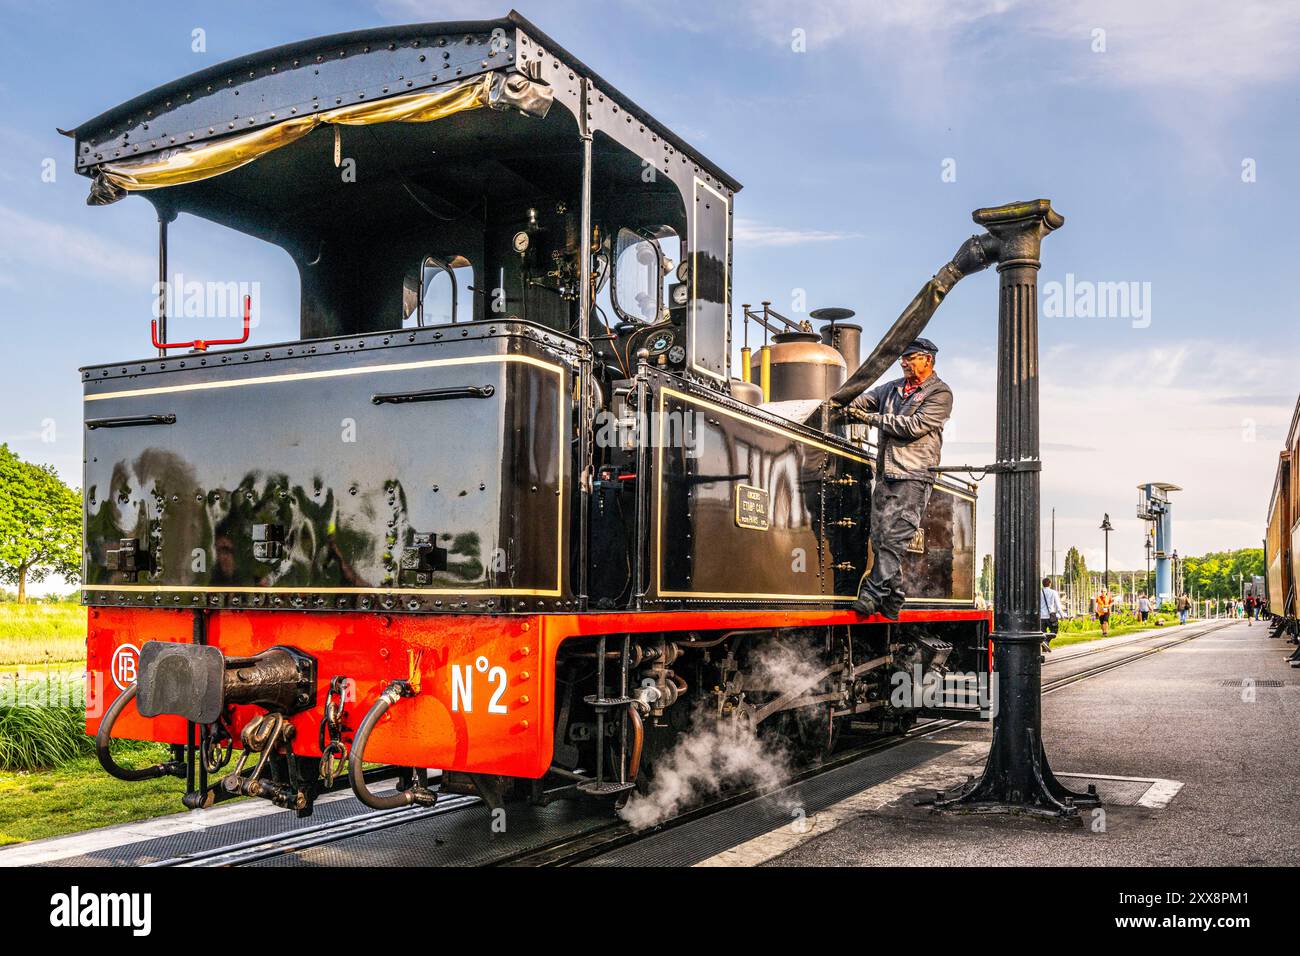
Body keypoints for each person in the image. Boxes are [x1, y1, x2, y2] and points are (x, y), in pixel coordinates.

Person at [847, 338, 952, 621]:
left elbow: (913, 426)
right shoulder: (891, 389)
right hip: (886, 474)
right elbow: (861, 400)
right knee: (879, 537)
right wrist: (840, 403)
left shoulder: (940, 393)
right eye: (902, 358)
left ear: (928, 360)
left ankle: (872, 593)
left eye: (910, 357)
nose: (904, 362)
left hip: (914, 475)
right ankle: (894, 597)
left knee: (894, 538)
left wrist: (870, 419)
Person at [1040, 576, 1063, 652]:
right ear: (1050, 584)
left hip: (1041, 616)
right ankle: (1046, 641)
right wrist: (1062, 615)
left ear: (1043, 584)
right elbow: (1058, 605)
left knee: (1042, 632)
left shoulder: (1039, 592)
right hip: (1051, 615)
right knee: (1054, 630)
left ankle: (1044, 643)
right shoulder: (1053, 592)